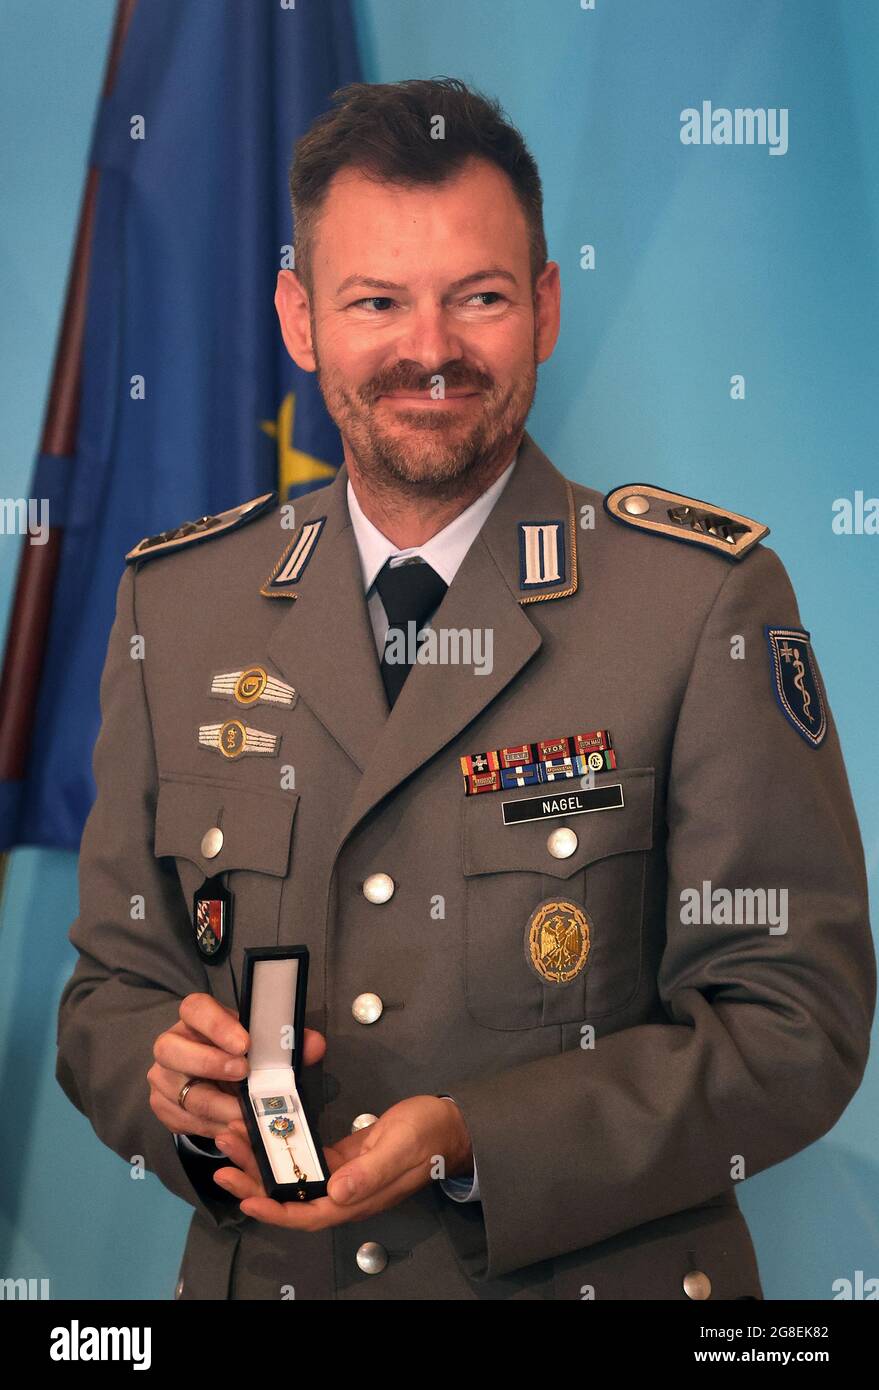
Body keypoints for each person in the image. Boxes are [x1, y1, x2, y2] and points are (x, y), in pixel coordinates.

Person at [56, 77, 875, 1301]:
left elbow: (794, 1023)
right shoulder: (179, 608)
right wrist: (174, 1098)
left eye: (477, 297)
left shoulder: (700, 601)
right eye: (376, 300)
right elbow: (114, 989)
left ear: (542, 306)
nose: (428, 349)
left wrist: (476, 1137)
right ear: (299, 317)